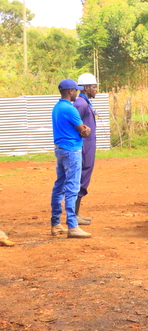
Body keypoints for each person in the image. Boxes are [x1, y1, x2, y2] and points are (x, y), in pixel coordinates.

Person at [50, 79, 92, 239]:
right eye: (75, 90)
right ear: (70, 91)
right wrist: (85, 130)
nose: (77, 93)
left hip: (60, 150)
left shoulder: (57, 107)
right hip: (72, 151)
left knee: (59, 187)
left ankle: (55, 224)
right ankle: (72, 226)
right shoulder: (70, 109)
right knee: (72, 188)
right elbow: (83, 130)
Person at [73, 73, 99, 226]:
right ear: (87, 87)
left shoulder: (85, 102)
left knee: (84, 179)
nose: (96, 90)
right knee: (80, 180)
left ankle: (76, 214)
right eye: (94, 87)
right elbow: (75, 125)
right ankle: (73, 215)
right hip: (83, 148)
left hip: (88, 148)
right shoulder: (81, 104)